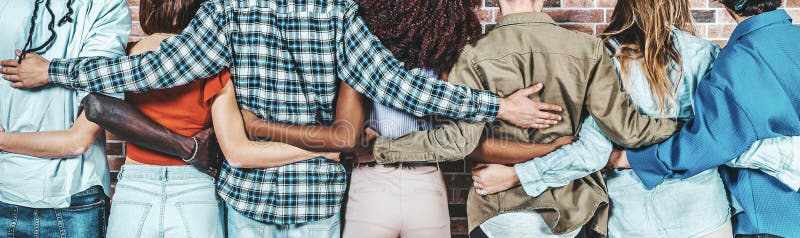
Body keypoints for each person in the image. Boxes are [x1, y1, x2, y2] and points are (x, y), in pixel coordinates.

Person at [0, 0, 566, 237]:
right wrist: (496, 106)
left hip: (249, 197)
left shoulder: (230, 9)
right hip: (316, 197)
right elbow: (397, 83)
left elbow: (158, 68)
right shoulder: (337, 11)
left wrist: (55, 70)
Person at [240, 0, 572, 237]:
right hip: (420, 182)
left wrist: (376, 144)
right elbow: (463, 141)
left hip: (375, 181)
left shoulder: (365, 60)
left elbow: (347, 139)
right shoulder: (440, 62)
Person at [473, 0, 799, 237]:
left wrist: (519, 175)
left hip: (629, 219)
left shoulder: (602, 60)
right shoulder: (707, 55)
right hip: (703, 216)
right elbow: (721, 140)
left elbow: (591, 153)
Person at [360, 0, 685, 237]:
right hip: (570, 210)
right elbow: (624, 129)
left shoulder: (471, 56)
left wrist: (383, 148)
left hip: (497, 211)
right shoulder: (589, 50)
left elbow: (459, 143)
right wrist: (684, 130)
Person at [73, 1, 337, 237]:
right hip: (194, 189)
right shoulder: (212, 68)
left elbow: (96, 108)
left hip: (134, 189)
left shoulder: (123, 60)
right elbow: (239, 154)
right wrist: (314, 149)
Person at [609, 0, 800, 236]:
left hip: (769, 218)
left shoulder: (738, 60)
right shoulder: (717, 53)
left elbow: (706, 144)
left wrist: (630, 159)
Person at [0, 0, 130, 237]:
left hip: (74, 197)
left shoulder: (105, 6)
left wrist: (50, 71)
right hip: (7, 190)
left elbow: (80, 139)